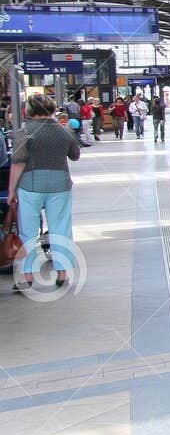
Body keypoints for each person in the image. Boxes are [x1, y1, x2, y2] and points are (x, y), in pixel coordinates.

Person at [5, 93, 81, 292]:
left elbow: (18, 163)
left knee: (27, 231)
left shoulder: (24, 132)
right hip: (60, 184)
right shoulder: (64, 131)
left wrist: (11, 191)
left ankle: (27, 276)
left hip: (30, 185)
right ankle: (62, 273)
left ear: (29, 110)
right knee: (60, 228)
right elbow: (75, 156)